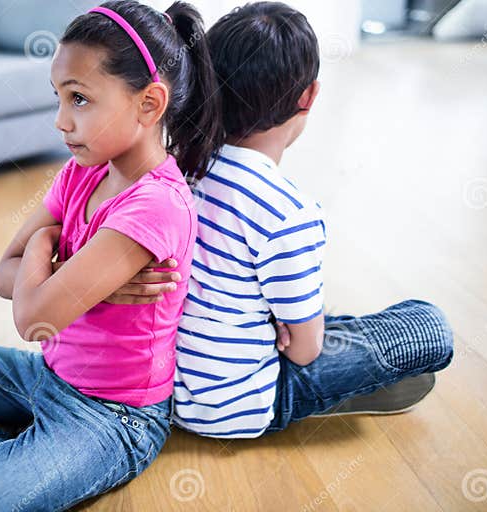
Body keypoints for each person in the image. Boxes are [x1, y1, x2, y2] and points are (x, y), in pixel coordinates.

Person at [0, 1, 223, 510]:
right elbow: (2, 276)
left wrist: (41, 247)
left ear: (149, 104)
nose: (60, 121)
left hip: (112, 416)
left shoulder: (156, 205)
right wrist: (62, 270)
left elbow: (33, 319)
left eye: (79, 99)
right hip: (46, 376)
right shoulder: (81, 173)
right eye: (59, 97)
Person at [147, 2, 454, 438]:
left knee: (311, 317)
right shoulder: (287, 213)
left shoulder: (179, 165)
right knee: (429, 326)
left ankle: (302, 320)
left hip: (165, 388)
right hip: (238, 404)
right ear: (308, 96)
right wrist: (294, 331)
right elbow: (304, 353)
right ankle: (328, 378)